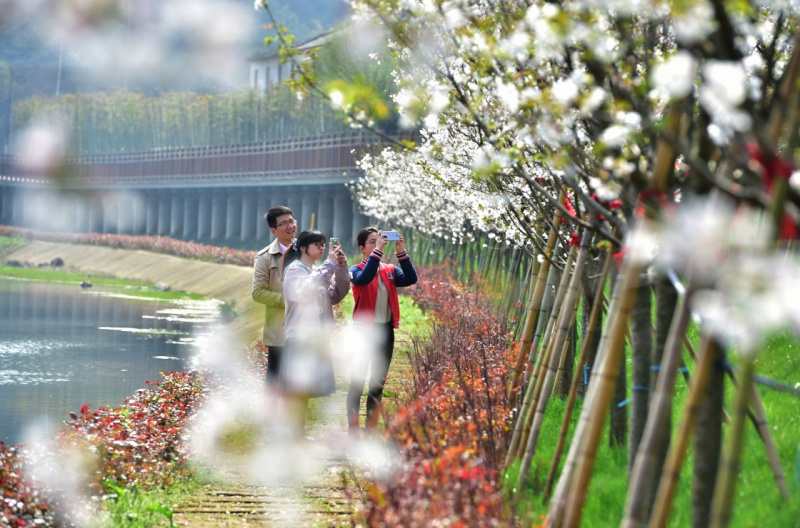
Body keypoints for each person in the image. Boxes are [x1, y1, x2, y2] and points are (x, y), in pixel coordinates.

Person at [347, 227, 418, 435]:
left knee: (377, 383)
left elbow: (410, 279)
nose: (378, 244)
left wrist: (401, 252)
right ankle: (352, 430)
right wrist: (377, 252)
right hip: (363, 333)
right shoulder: (355, 269)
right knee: (357, 382)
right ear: (362, 248)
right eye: (372, 242)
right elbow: (364, 279)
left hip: (385, 331)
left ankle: (369, 429)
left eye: (380, 240)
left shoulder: (389, 270)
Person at [280, 230, 350, 438]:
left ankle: (297, 434)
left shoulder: (319, 270)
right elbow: (304, 292)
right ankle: (291, 434)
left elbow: (336, 294)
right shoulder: (294, 270)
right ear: (303, 248)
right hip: (300, 336)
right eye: (317, 244)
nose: (321, 248)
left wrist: (341, 266)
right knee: (297, 389)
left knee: (306, 389)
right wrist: (328, 265)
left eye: (323, 244)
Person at [251, 206, 296, 390]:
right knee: (275, 380)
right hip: (280, 330)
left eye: (291, 221)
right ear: (274, 230)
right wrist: (287, 301)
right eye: (283, 223)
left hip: (304, 329)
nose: (290, 226)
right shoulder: (264, 257)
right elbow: (257, 293)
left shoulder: (306, 250)